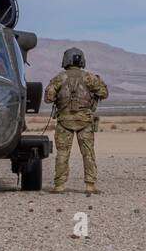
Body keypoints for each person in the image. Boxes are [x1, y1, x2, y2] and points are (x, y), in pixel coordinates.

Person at [43, 47, 109, 194]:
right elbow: (104, 93)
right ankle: (90, 186)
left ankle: (59, 186)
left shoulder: (59, 78)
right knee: (88, 153)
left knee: (63, 153)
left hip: (64, 121)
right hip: (85, 121)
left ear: (66, 60)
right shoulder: (89, 78)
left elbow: (48, 98)